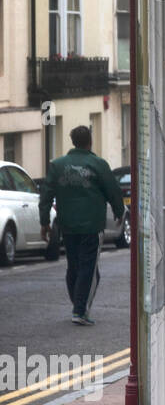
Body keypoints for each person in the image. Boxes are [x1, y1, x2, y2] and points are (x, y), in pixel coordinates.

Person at [39, 126, 124, 325]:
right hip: (92, 226)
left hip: (67, 225)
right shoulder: (98, 164)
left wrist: (44, 222)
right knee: (89, 268)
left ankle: (77, 303)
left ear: (72, 141)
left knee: (74, 265)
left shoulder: (57, 166)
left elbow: (46, 195)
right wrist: (119, 212)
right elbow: (113, 190)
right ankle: (79, 310)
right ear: (90, 141)